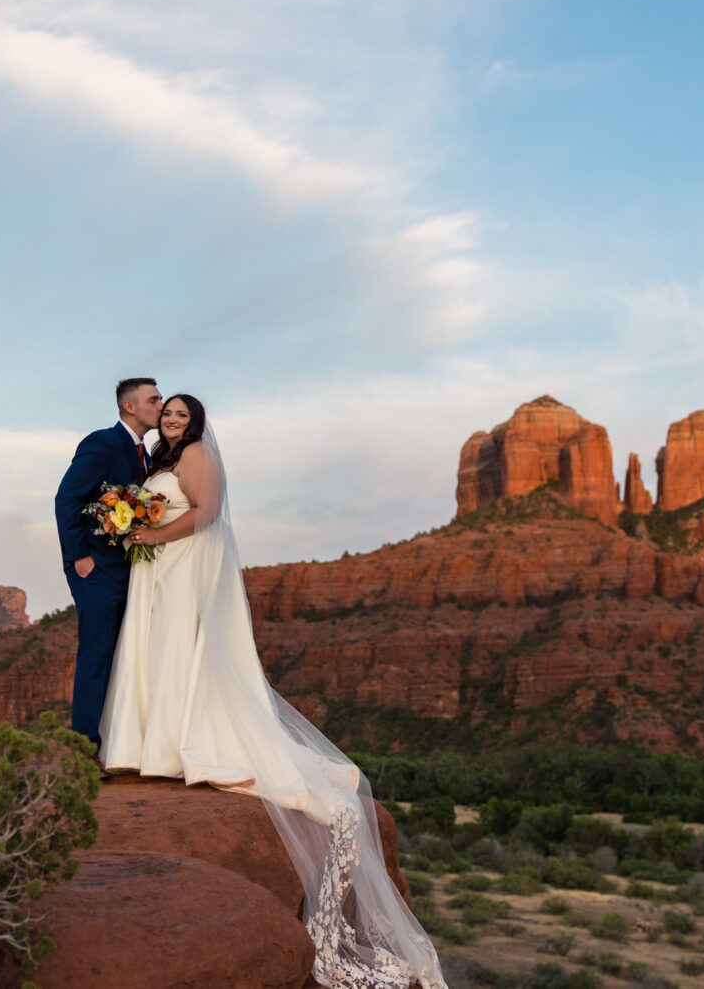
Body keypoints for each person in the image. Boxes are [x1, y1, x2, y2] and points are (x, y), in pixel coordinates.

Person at [100, 394, 445, 989]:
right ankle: (147, 746)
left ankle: (177, 744)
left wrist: (149, 533)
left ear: (197, 420)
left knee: (185, 648)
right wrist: (131, 525)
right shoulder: (162, 454)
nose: (174, 420)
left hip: (186, 561)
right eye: (169, 413)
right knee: (157, 648)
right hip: (161, 563)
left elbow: (205, 515)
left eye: (182, 413)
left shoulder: (199, 456)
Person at [53, 377, 163, 755]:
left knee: (122, 655)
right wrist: (79, 558)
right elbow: (67, 497)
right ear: (129, 407)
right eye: (153, 400)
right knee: (96, 654)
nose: (160, 405)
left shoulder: (145, 455)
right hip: (96, 568)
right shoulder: (103, 442)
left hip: (128, 569)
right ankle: (84, 748)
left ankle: (117, 743)